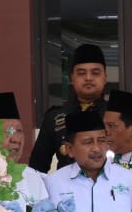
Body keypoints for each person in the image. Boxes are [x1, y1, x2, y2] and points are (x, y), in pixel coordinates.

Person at [29, 43, 109, 172]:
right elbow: (37, 168)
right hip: (65, 189)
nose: (88, 78)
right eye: (81, 73)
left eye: (95, 73)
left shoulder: (117, 116)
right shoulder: (55, 117)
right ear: (72, 78)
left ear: (105, 77)